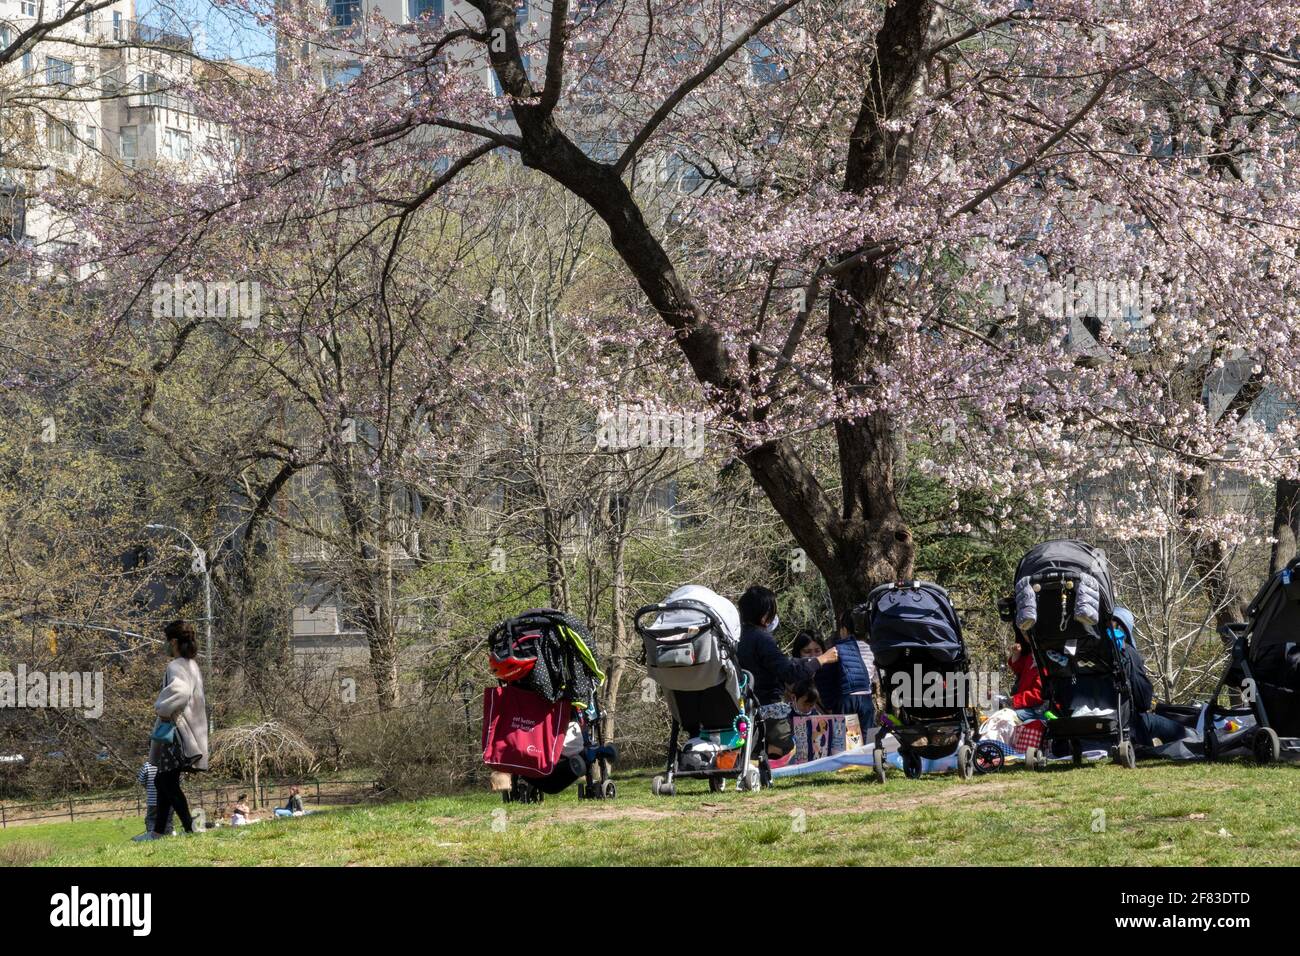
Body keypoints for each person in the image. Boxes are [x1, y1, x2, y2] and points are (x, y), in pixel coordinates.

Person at [737, 586, 837, 761]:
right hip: (768, 710)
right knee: (789, 747)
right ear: (764, 615)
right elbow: (789, 673)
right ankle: (767, 757)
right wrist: (822, 659)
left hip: (746, 707)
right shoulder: (762, 638)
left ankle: (759, 758)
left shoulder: (739, 637)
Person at [142, 620, 209, 840]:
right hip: (188, 730)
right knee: (163, 780)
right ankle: (159, 832)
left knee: (165, 780)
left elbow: (179, 692)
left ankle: (188, 828)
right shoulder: (192, 664)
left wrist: (161, 707)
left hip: (177, 731)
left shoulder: (176, 665)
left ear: (173, 641)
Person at [1008, 632, 1047, 721]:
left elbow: (1039, 694)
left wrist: (1014, 700)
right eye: (1024, 634)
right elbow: (1019, 669)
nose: (1026, 637)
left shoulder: (1046, 659)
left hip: (1040, 709)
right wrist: (1016, 654)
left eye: (1027, 634)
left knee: (1007, 718)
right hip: (1027, 706)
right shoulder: (1032, 655)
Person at [132, 760, 173, 841]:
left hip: (153, 800)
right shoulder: (172, 764)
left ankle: (152, 837)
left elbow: (141, 780)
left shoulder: (147, 765)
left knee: (151, 819)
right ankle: (168, 835)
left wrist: (149, 787)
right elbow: (179, 780)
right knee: (167, 819)